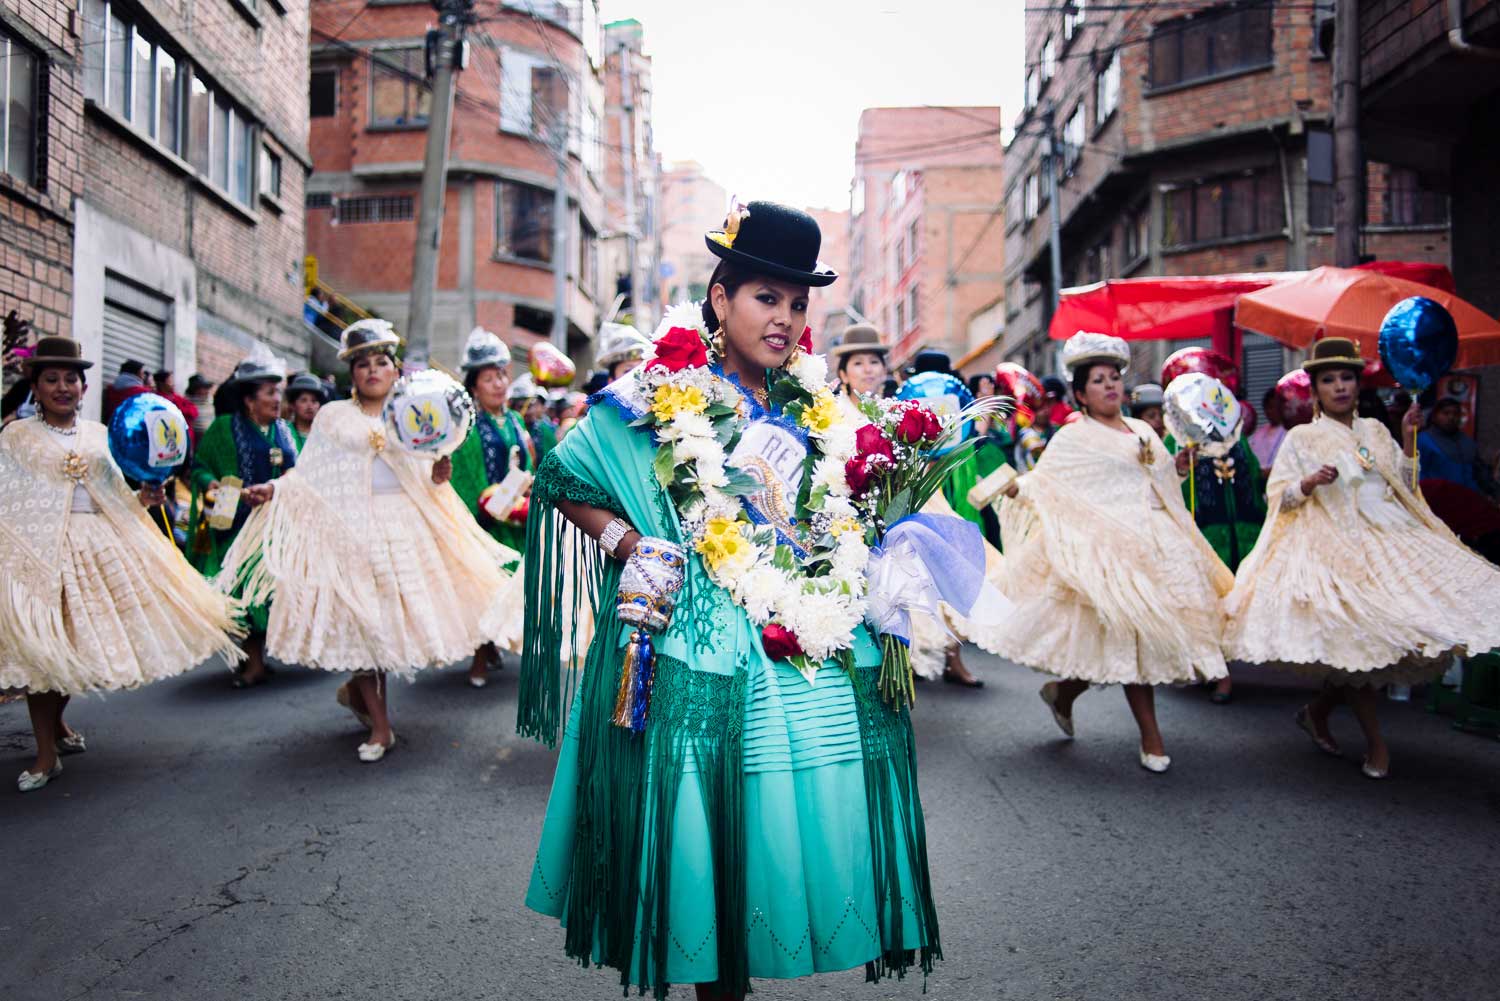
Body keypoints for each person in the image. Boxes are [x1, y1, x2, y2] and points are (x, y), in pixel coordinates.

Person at [519, 201, 940, 1000]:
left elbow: (837, 518)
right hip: (696, 640)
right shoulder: (661, 390)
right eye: (765, 298)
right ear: (720, 299)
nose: (784, 319)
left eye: (797, 303)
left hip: (790, 635)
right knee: (702, 826)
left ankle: (738, 968)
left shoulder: (813, 408)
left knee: (771, 827)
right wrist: (626, 544)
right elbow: (565, 475)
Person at [214, 320, 522, 762]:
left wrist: (438, 473)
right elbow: (310, 474)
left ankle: (361, 697)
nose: (373, 371)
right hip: (352, 533)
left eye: (381, 362)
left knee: (398, 625)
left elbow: (429, 470)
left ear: (395, 370)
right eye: (363, 364)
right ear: (351, 374)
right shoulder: (333, 418)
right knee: (363, 627)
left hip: (405, 531)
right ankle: (381, 727)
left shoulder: (417, 408)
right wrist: (276, 490)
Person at [1224, 338, 1500, 778]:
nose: (1339, 387)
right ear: (1314, 390)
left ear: (1357, 384)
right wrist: (1310, 482)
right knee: (1361, 636)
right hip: (1331, 542)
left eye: (1347, 378)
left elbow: (1405, 487)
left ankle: (1317, 712)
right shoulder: (1303, 437)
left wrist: (1409, 439)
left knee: (1380, 642)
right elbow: (1278, 497)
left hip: (1388, 536)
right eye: (1329, 380)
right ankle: (1376, 743)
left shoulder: (1374, 429)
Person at [0, 336, 243, 792]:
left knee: (80, 649)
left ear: (84, 386)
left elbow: (112, 496)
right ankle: (46, 753)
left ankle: (59, 725)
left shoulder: (99, 434)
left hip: (99, 553)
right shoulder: (16, 437)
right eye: (51, 379)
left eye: (70, 378)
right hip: (42, 554)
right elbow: (10, 503)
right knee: (43, 654)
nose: (62, 387)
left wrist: (145, 497)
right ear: (35, 385)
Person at [995, 332, 1232, 773]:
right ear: (1081, 394)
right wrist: (1014, 488)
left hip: (1161, 547)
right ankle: (1151, 736)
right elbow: (1047, 483)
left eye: (1114, 378)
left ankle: (1064, 692)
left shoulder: (1144, 428)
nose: (1110, 386)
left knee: (1119, 644)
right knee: (1129, 635)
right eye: (1098, 380)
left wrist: (1176, 469)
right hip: (1107, 553)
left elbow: (1158, 483)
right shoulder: (1073, 437)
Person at [186, 346, 297, 689]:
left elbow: (297, 472)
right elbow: (200, 468)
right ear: (249, 400)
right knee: (245, 592)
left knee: (271, 591)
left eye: (278, 391)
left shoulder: (283, 430)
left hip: (276, 525)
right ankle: (253, 662)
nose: (277, 399)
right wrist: (216, 486)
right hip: (233, 525)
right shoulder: (222, 429)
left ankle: (259, 657)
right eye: (269, 392)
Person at [450, 327, 534, 687]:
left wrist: (524, 486)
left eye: (502, 375)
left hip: (513, 517)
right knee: (484, 589)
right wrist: (484, 504)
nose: (499, 384)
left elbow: (528, 462)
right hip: (484, 520)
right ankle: (480, 658)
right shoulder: (468, 427)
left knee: (512, 587)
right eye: (489, 378)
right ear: (473, 385)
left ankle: (499, 645)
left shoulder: (514, 421)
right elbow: (466, 474)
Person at [151, 369, 200, 443]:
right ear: (161, 383)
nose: (173, 384)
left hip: (185, 437)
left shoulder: (177, 398)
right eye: (169, 381)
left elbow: (194, 412)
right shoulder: (156, 399)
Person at [284, 372, 328, 453]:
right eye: (303, 400)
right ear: (293, 405)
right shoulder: (284, 432)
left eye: (314, 401)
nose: (309, 405)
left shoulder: (326, 435)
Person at [1248, 386, 1287, 473]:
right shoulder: (1259, 433)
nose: (1270, 411)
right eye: (1267, 407)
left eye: (1274, 407)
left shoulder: (1289, 430)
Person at [101, 359, 150, 427]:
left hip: (112, 426)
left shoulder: (110, 389)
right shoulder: (143, 392)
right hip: (132, 428)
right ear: (137, 373)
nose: (144, 376)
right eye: (142, 372)